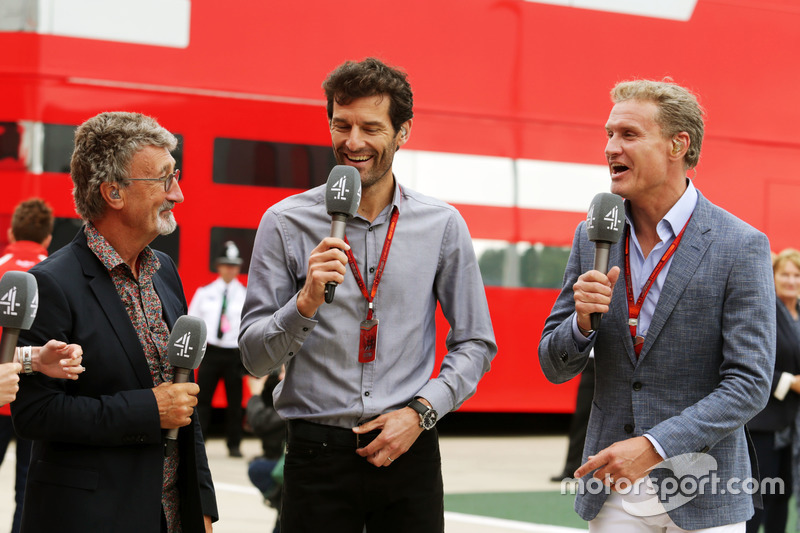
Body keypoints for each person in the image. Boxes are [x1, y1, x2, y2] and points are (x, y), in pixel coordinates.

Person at [239, 57, 497, 533]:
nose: (353, 142)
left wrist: (421, 413)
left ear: (403, 132)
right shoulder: (284, 222)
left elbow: (476, 343)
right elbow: (255, 358)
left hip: (409, 449)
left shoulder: (442, 225)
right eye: (342, 125)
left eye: (371, 128)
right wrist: (304, 303)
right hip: (314, 458)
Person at [538, 79, 775, 531]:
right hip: (612, 486)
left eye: (628, 134)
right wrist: (581, 325)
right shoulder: (591, 236)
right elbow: (554, 366)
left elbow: (749, 384)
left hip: (707, 488)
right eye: (609, 134)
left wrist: (654, 446)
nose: (611, 147)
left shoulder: (740, 245)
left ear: (677, 145)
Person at [10, 111, 218, 533]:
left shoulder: (165, 271)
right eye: (163, 179)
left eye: (175, 176)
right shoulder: (52, 284)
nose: (177, 193)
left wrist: (202, 508)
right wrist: (148, 409)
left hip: (172, 517)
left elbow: (183, 402)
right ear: (114, 193)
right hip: (91, 518)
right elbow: (35, 413)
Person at [0, 197, 84, 533]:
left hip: (9, 392)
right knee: (27, 488)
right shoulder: (56, 273)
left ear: (10, 231)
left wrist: (31, 359)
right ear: (48, 236)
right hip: (36, 401)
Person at [746, 248, 800, 533]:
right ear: (773, 276)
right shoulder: (764, 310)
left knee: (783, 499)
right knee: (758, 500)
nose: (791, 281)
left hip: (793, 427)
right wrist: (789, 382)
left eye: (797, 275)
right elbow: (751, 361)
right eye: (785, 274)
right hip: (764, 423)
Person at [189, 240, 247, 457]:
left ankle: (234, 445)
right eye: (226, 265)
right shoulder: (205, 292)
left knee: (235, 403)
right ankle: (199, 441)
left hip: (234, 354)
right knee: (202, 400)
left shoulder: (245, 295)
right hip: (210, 352)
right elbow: (193, 320)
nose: (230, 269)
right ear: (219, 266)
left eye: (234, 265)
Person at [245, 369, 286, 533]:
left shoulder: (301, 400)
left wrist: (255, 394)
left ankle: (279, 501)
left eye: (285, 371)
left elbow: (261, 422)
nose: (279, 376)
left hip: (300, 473)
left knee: (257, 469)